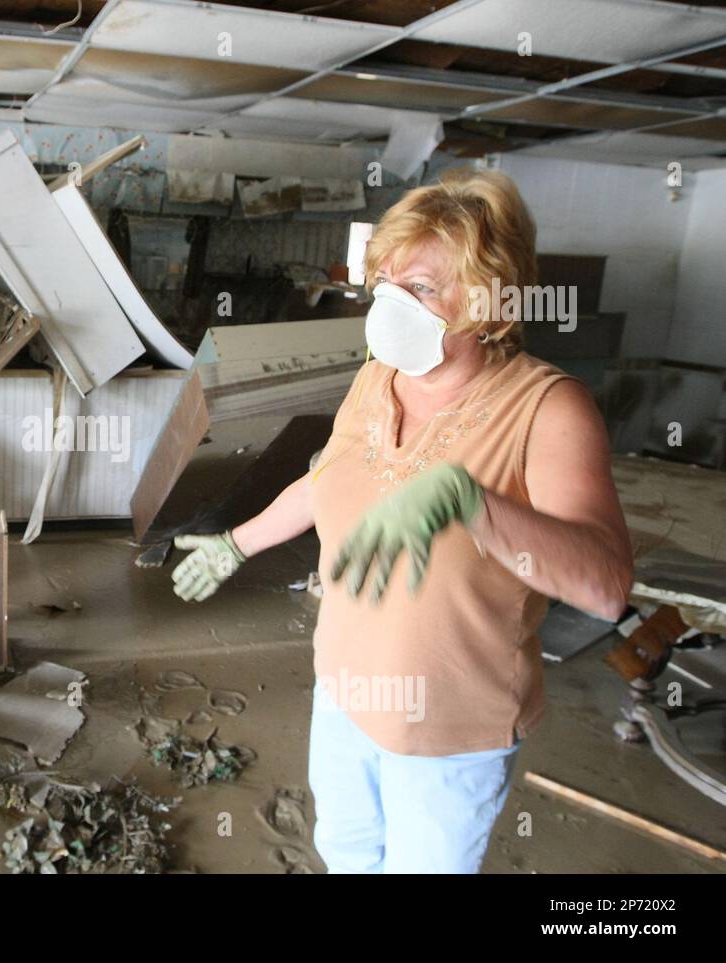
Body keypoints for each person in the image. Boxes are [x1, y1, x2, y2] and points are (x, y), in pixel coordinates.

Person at [169, 168, 633, 874]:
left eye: (419, 288)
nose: (390, 304)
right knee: (346, 854)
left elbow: (605, 586)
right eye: (384, 282)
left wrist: (471, 501)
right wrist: (237, 543)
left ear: (491, 302)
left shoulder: (546, 408)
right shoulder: (376, 377)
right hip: (344, 695)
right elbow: (327, 480)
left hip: (450, 730)